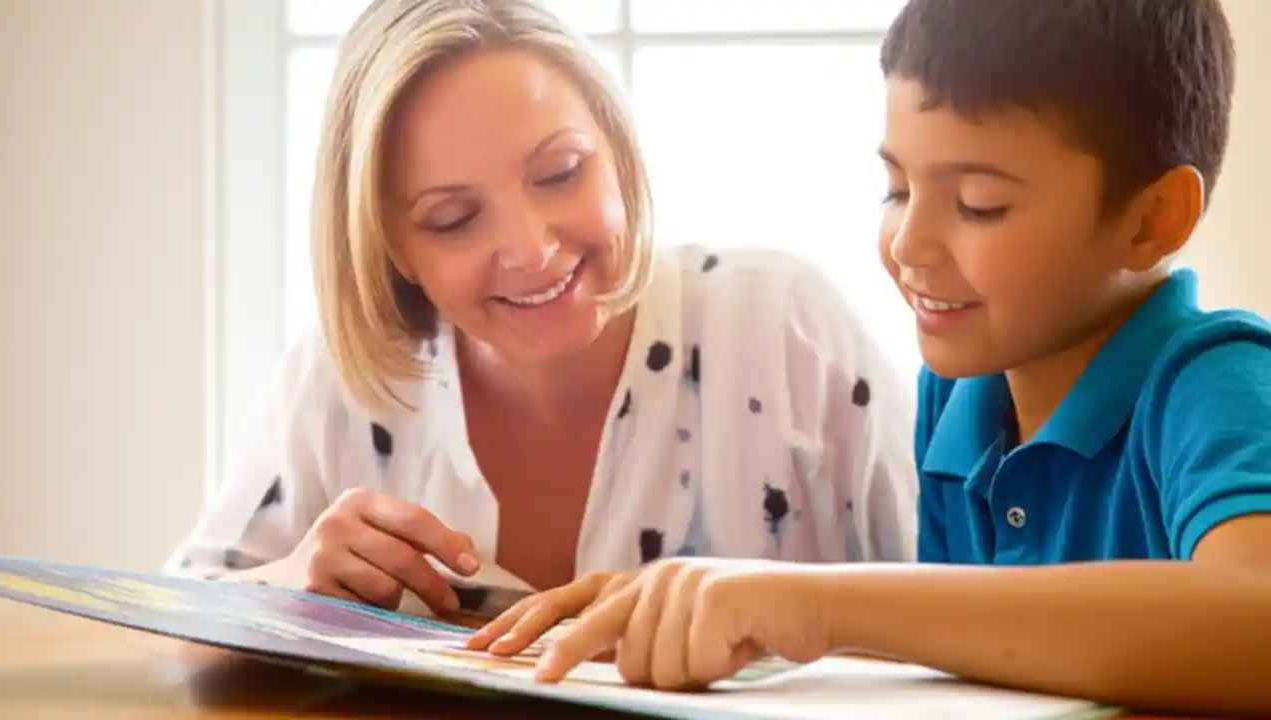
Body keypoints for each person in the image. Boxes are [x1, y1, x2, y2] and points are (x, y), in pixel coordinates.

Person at [470, 0, 1271, 715]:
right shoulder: (961, 399)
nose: (909, 245)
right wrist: (701, 610)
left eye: (978, 205)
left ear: (1152, 219)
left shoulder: (1212, 378)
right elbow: (985, 669)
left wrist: (821, 604)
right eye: (895, 189)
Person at [164, 0, 917, 619]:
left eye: (560, 172)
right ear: (394, 248)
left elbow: (963, 604)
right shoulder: (344, 387)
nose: (530, 250)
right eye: (453, 219)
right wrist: (291, 584)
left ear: (617, 153)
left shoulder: (782, 330)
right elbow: (170, 620)